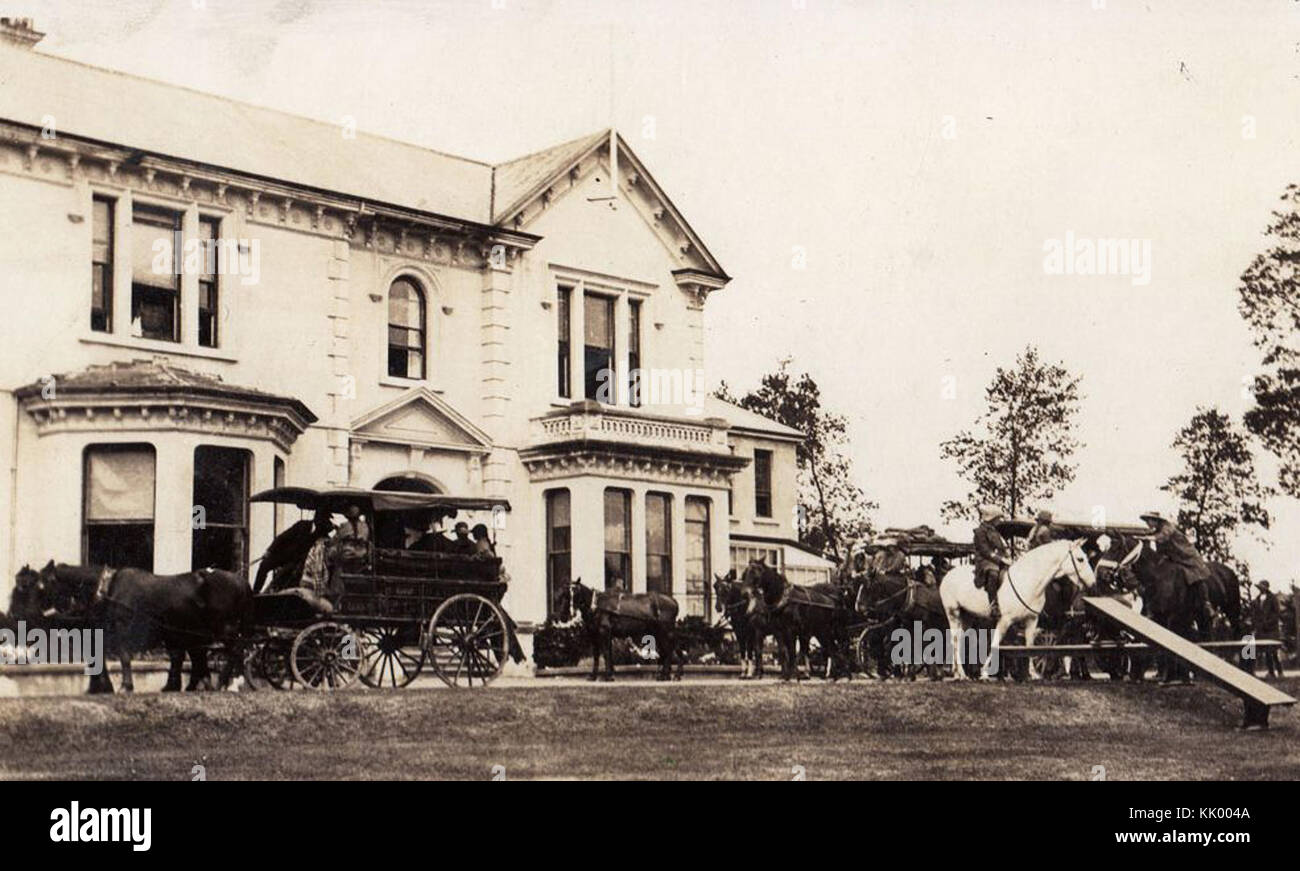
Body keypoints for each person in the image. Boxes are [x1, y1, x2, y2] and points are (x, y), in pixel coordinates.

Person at [1140, 511, 1213, 629]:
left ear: (1156, 520)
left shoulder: (1167, 527)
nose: (1148, 523)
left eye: (1149, 520)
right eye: (1146, 520)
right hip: (1173, 559)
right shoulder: (1154, 531)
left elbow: (1163, 536)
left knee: (1194, 576)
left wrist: (1148, 537)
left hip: (1187, 557)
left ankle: (1205, 603)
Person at [973, 504, 1012, 616]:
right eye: (998, 518)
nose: (999, 520)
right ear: (992, 518)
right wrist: (1001, 560)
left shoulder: (995, 531)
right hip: (984, 560)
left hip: (997, 559)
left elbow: (1001, 547)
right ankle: (993, 605)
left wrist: (1007, 555)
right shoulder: (980, 532)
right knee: (993, 573)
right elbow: (984, 550)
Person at [1253, 580, 1282, 679]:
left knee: (1273, 651)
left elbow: (1277, 613)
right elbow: (1255, 614)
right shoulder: (1257, 599)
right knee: (1266, 651)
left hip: (1271, 629)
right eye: (1259, 587)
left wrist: (1268, 623)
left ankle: (1280, 671)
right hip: (1261, 630)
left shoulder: (1272, 598)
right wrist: (1257, 624)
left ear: (1266, 587)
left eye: (1262, 587)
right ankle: (1271, 672)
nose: (1260, 589)